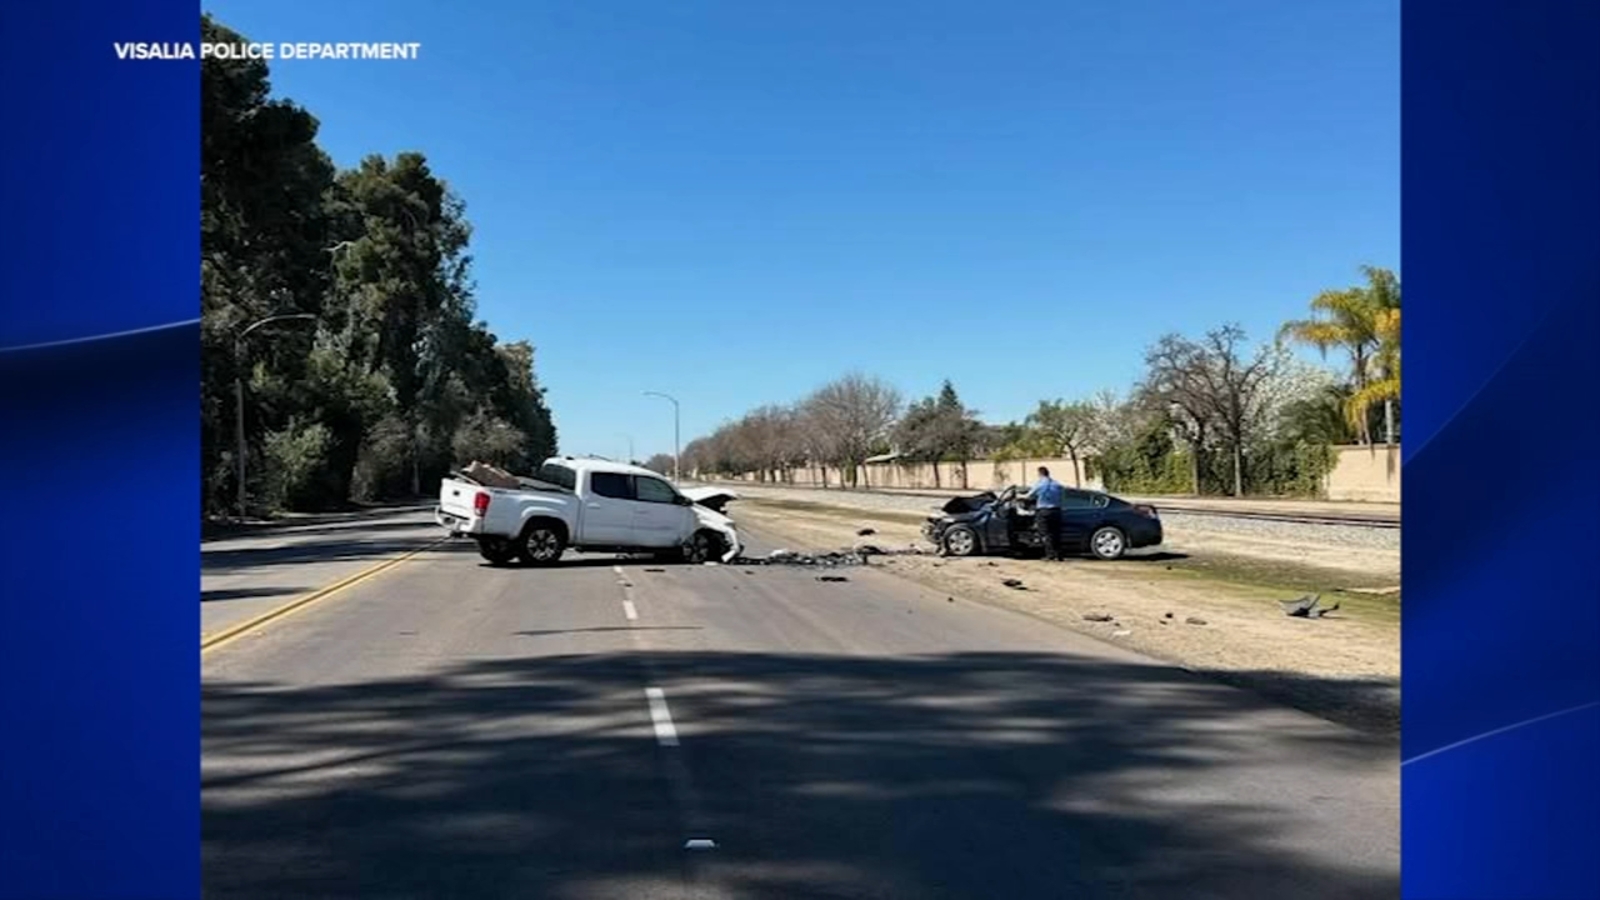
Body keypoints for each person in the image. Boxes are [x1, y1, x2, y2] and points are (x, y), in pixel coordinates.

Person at [1020, 466, 1065, 561]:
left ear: (1040, 474)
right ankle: (1059, 555)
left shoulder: (1040, 485)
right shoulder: (1057, 484)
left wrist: (1018, 496)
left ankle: (1050, 555)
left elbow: (1028, 496)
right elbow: (1062, 494)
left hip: (1044, 511)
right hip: (1056, 510)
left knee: (1045, 533)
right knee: (1056, 533)